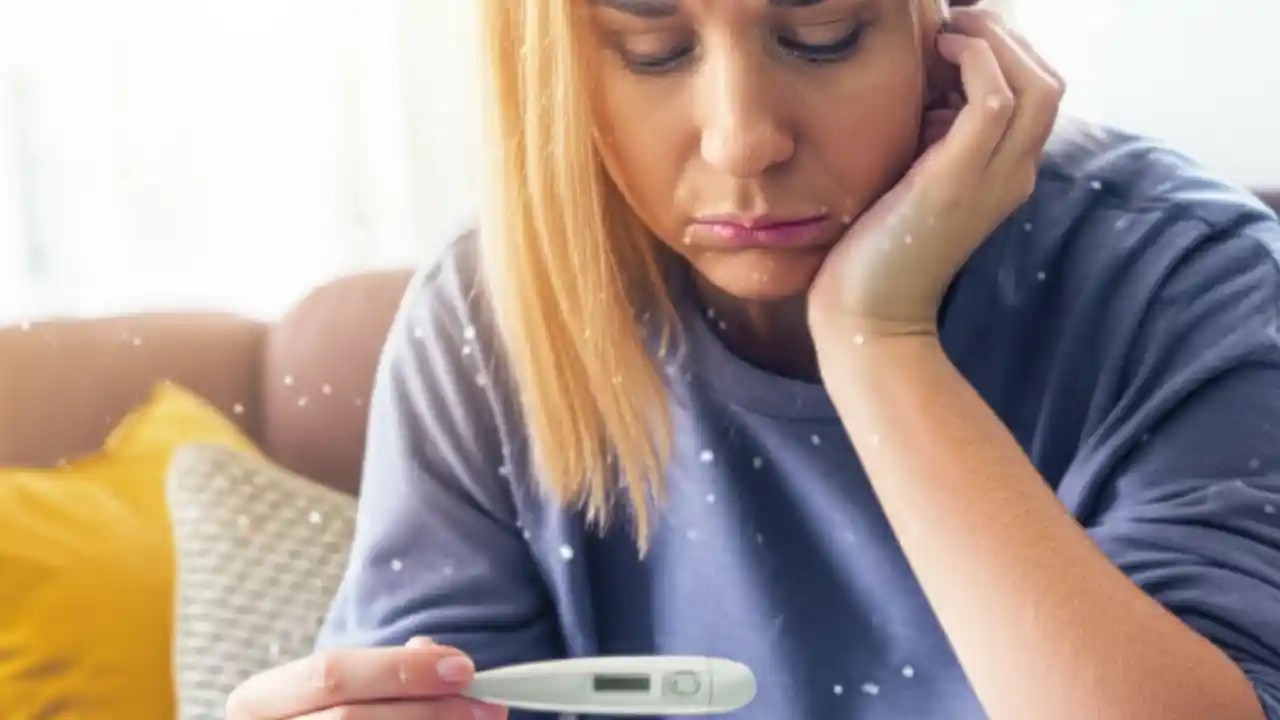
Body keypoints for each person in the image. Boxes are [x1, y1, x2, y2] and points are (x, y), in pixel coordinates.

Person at [226, 0, 1280, 718]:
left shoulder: (1187, 280)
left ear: (949, 31)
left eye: (820, 35)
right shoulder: (489, 316)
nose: (741, 142)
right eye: (652, 47)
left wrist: (878, 340)